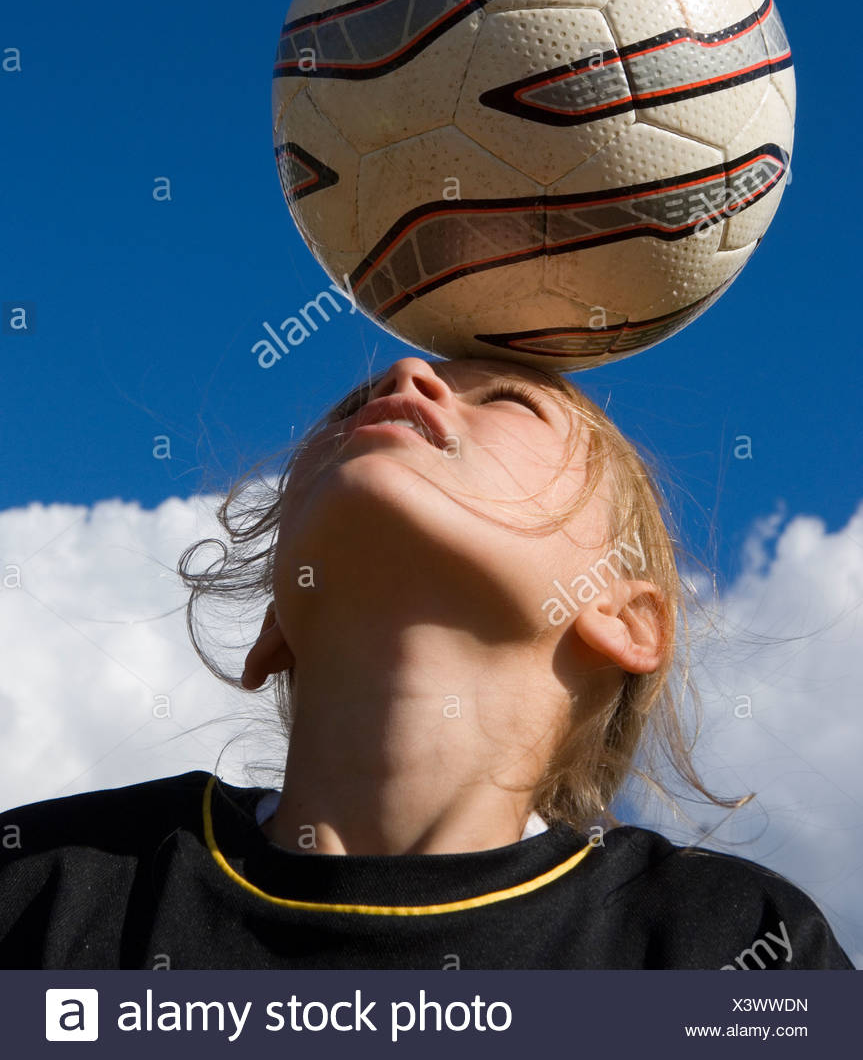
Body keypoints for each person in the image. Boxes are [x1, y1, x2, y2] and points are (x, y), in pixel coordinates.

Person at [0, 356, 854, 969]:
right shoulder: (50, 882)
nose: (405, 376)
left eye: (514, 400)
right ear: (271, 627)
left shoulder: (723, 944)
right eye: (354, 405)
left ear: (628, 620)